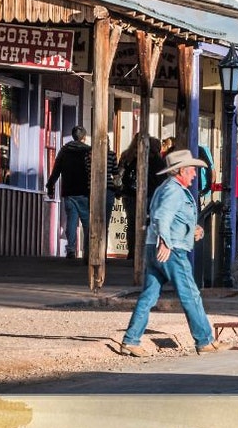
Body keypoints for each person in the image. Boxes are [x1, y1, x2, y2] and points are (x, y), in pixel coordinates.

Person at [119, 149, 228, 357]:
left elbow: (171, 217)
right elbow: (162, 217)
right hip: (172, 250)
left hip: (155, 246)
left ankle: (131, 340)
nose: (194, 174)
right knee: (190, 294)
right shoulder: (174, 190)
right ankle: (204, 340)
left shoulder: (165, 188)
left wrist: (192, 229)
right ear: (181, 171)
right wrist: (166, 242)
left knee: (149, 295)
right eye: (192, 170)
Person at [44, 125, 92, 261]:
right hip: (84, 191)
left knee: (71, 220)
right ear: (84, 137)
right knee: (87, 222)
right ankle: (88, 250)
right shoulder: (88, 151)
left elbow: (56, 170)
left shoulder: (64, 151)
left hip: (69, 191)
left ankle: (70, 249)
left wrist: (50, 185)